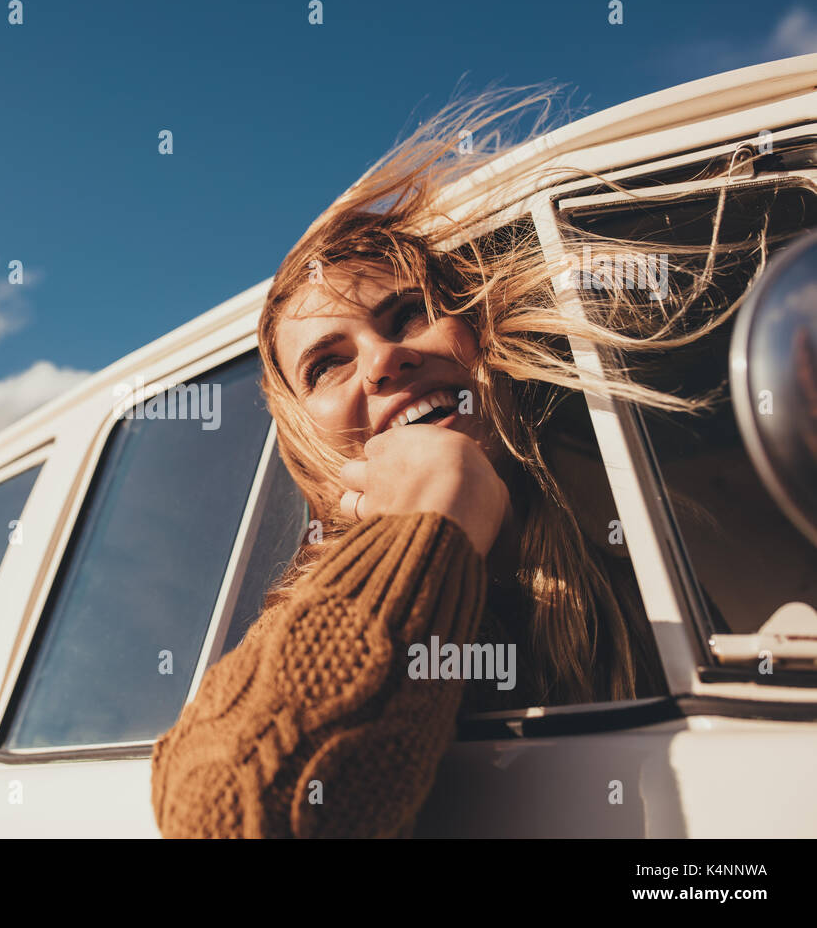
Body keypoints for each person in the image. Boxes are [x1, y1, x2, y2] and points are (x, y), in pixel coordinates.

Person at [150, 85, 752, 838]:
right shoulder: (292, 630)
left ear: (477, 343)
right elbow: (229, 818)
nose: (385, 361)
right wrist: (432, 518)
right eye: (328, 364)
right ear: (308, 442)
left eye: (406, 316)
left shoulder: (633, 595)